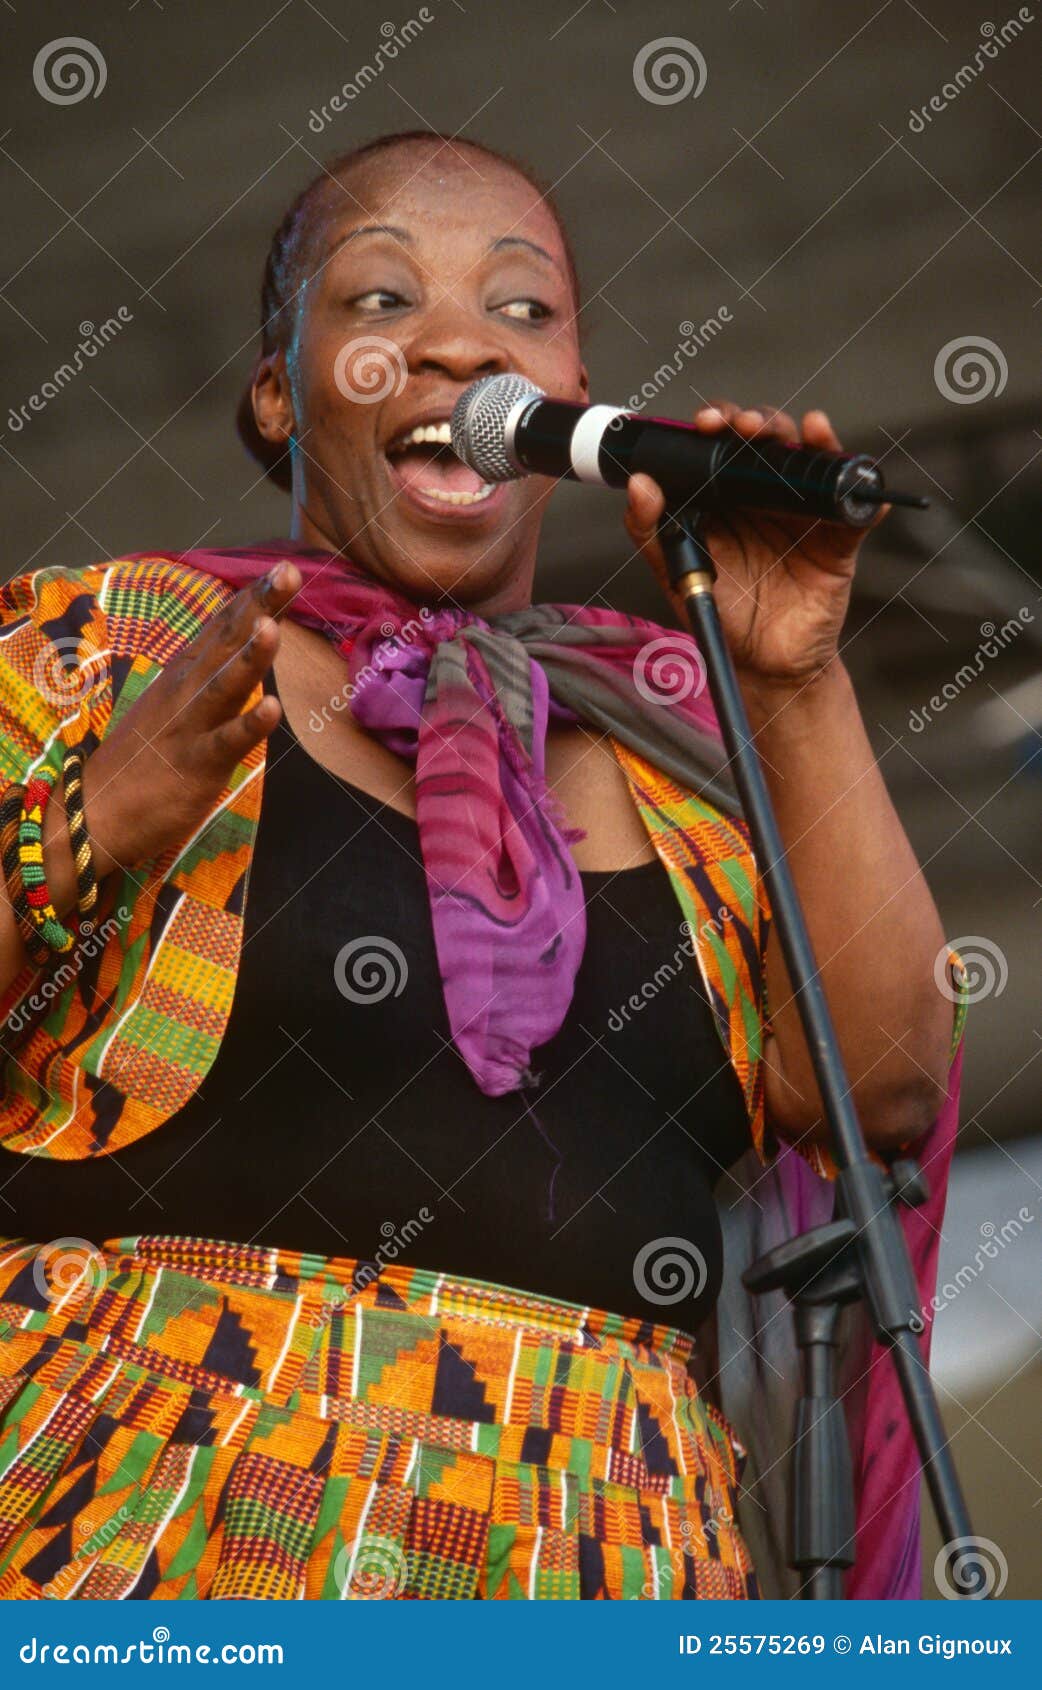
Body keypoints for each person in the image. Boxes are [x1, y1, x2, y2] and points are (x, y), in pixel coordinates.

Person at [0, 131, 964, 1601]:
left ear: (573, 401)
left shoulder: (680, 759)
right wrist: (88, 829)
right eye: (382, 302)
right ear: (278, 387)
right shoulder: (101, 648)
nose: (459, 342)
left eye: (524, 311)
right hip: (157, 1518)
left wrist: (794, 681)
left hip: (612, 1560)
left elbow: (880, 1085)